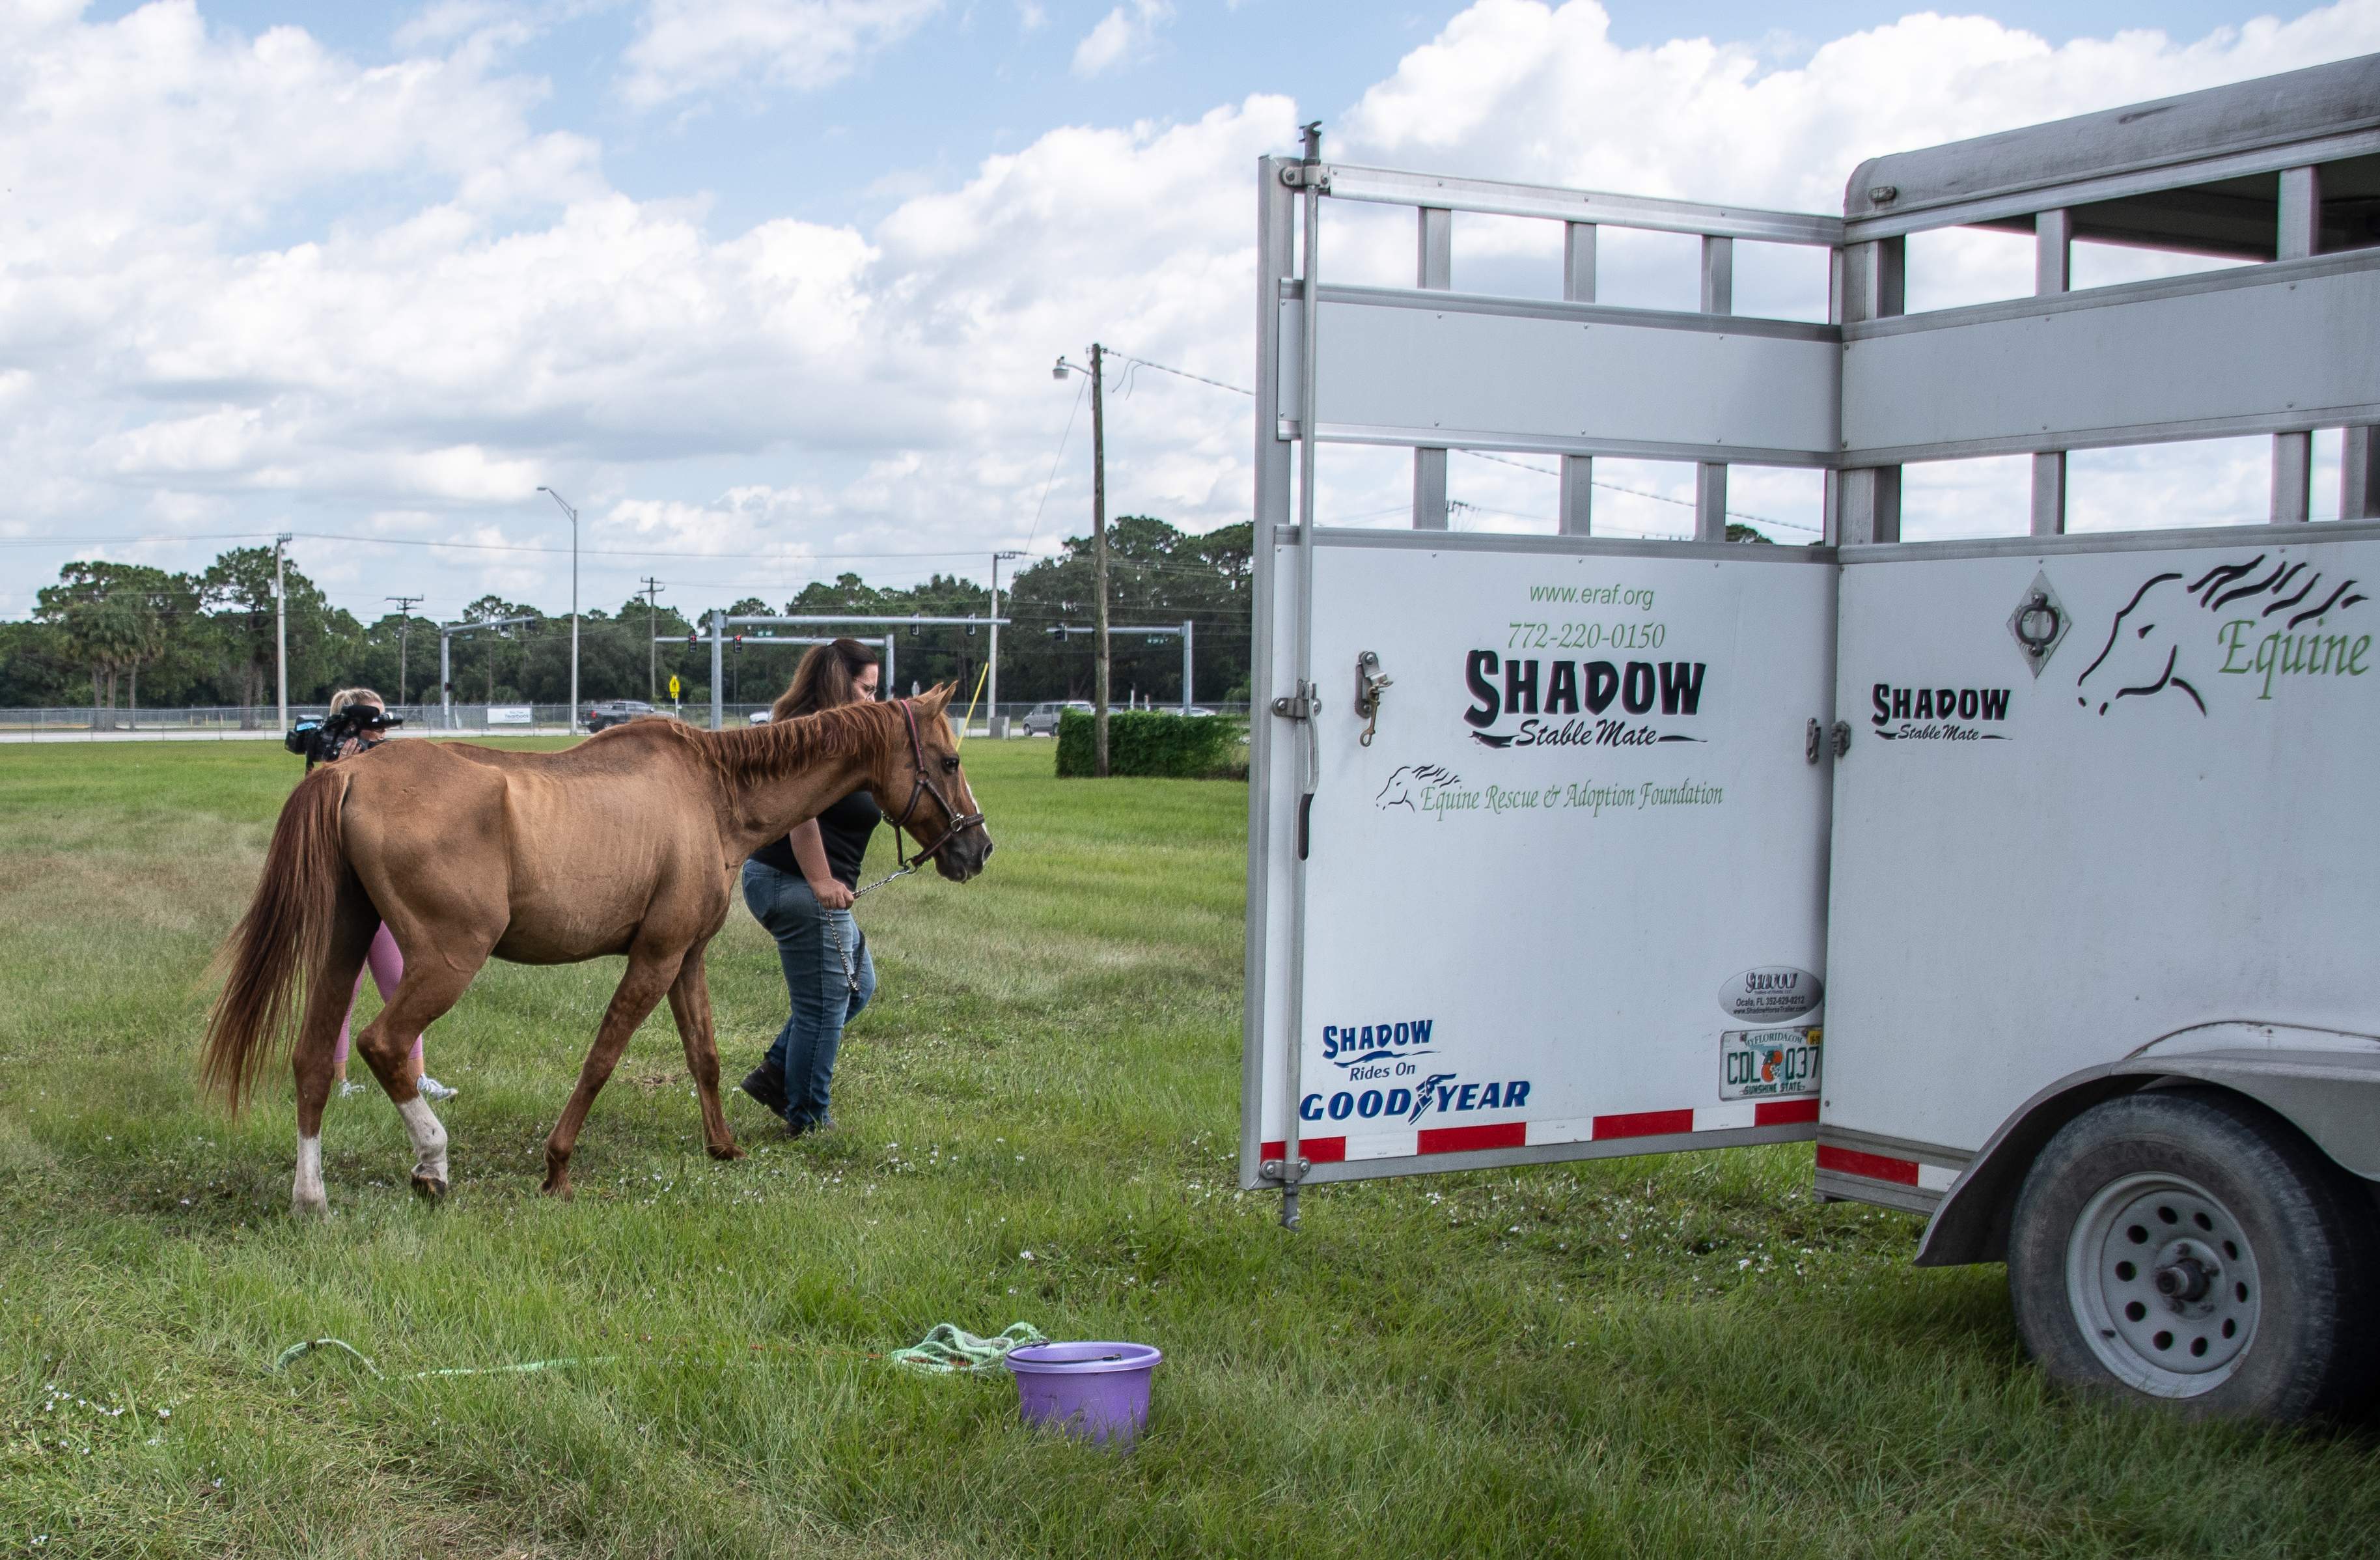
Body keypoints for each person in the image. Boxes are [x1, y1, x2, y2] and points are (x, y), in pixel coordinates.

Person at [739, 638, 882, 1135]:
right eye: (866, 690)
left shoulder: (842, 736)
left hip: (795, 883)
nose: (872, 701)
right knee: (824, 1006)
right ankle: (808, 1117)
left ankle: (776, 1073)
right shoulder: (813, 737)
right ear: (841, 683)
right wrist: (821, 880)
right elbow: (802, 814)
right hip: (792, 883)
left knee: (859, 988)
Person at [305, 687, 458, 1103]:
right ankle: (338, 1083)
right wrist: (341, 769)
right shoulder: (328, 772)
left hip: (384, 894)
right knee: (343, 989)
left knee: (401, 982)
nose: (382, 727)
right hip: (342, 897)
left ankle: (419, 1077)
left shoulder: (387, 765)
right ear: (352, 725)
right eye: (374, 720)